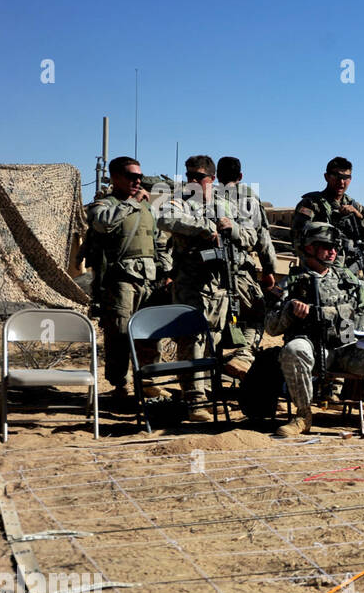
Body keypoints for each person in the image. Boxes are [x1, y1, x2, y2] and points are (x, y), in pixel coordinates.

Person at [266, 222, 364, 439]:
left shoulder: (348, 279)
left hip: (349, 349)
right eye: (326, 246)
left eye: (335, 246)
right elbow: (271, 327)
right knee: (294, 349)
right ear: (308, 248)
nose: (333, 251)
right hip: (314, 349)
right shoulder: (292, 283)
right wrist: (289, 310)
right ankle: (303, 416)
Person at [155, 155, 258, 422]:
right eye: (188, 176)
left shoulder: (228, 204)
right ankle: (194, 400)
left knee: (216, 338)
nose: (192, 181)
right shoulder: (181, 201)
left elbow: (251, 236)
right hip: (190, 283)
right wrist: (203, 228)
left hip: (222, 283)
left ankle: (211, 391)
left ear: (211, 179)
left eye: (198, 177)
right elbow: (165, 219)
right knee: (192, 339)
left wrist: (231, 228)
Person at [84, 156, 169, 402]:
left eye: (140, 176)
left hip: (149, 279)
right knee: (119, 334)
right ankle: (121, 385)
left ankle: (149, 381)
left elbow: (158, 239)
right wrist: (131, 203)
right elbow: (102, 224)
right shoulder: (104, 204)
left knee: (151, 333)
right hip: (120, 279)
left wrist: (164, 269)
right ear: (116, 178)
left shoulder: (147, 207)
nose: (138, 181)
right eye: (132, 176)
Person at [214, 156, 276, 379]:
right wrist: (269, 270)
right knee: (257, 314)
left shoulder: (206, 196)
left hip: (210, 273)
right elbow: (262, 238)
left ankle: (213, 374)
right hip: (239, 270)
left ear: (217, 176)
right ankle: (244, 355)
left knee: (215, 322)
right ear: (240, 177)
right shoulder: (248, 198)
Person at [291, 156, 364, 293]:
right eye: (336, 176)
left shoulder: (356, 207)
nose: (341, 182)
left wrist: (359, 217)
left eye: (346, 177)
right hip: (318, 278)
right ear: (326, 177)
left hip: (350, 280)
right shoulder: (312, 204)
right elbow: (297, 240)